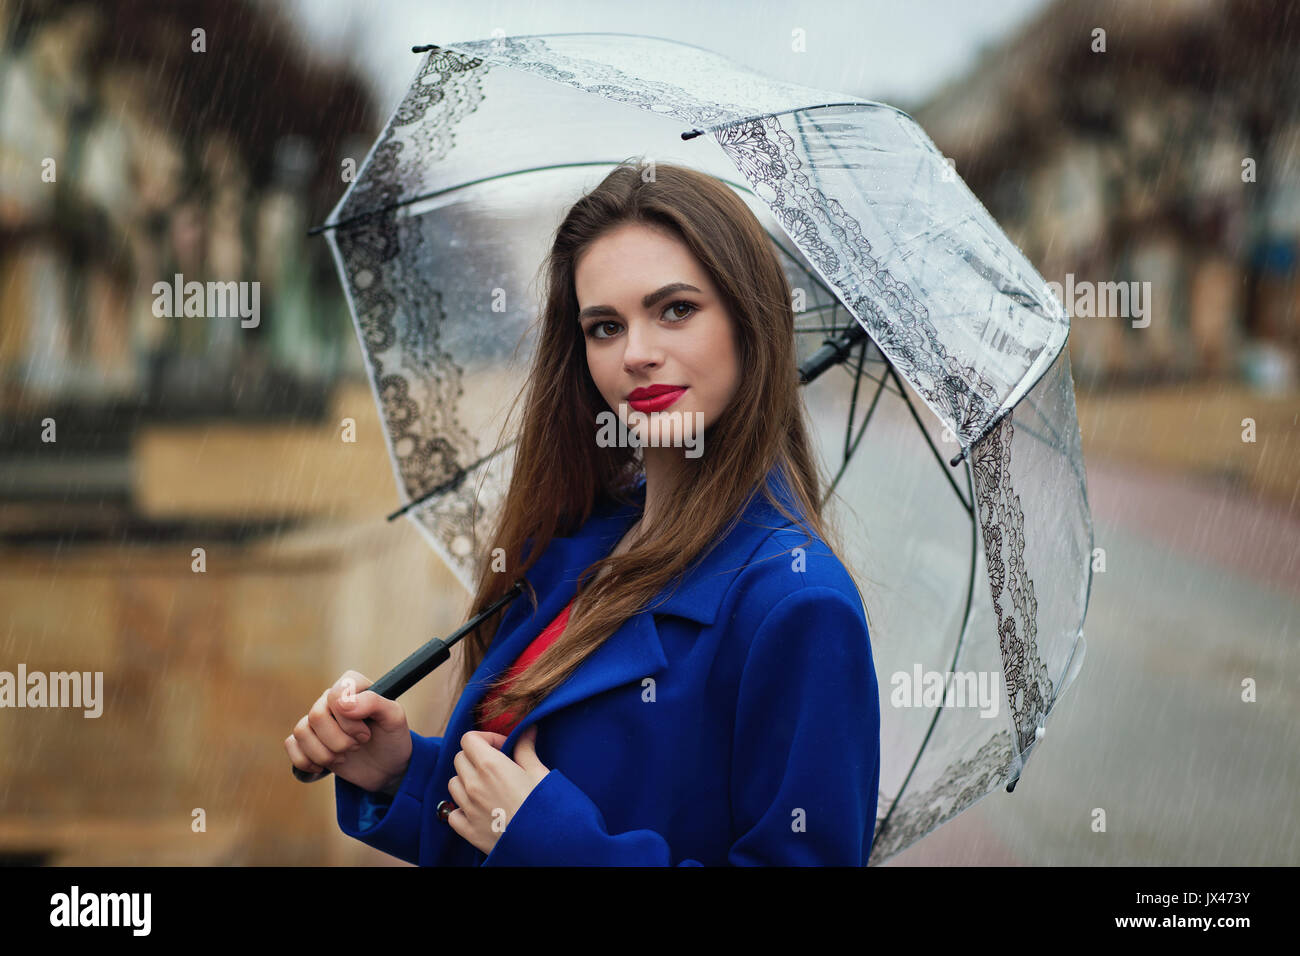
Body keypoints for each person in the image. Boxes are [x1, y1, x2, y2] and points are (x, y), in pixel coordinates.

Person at [285, 160, 881, 865]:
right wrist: (401, 772)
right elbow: (506, 814)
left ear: (752, 323)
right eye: (604, 326)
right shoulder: (575, 546)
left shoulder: (797, 604)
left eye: (676, 310)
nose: (636, 354)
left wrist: (550, 841)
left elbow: (535, 826)